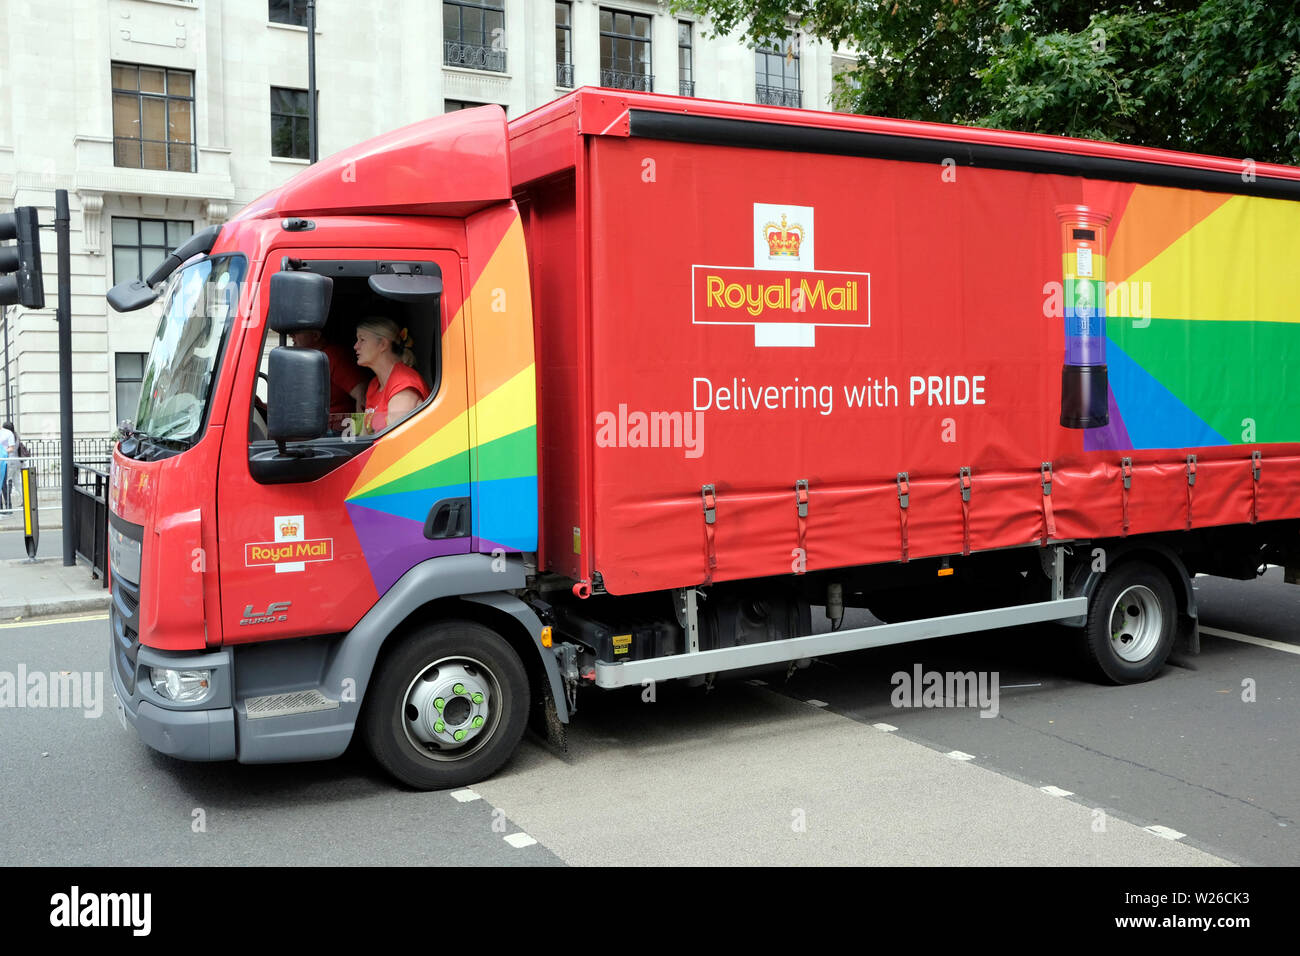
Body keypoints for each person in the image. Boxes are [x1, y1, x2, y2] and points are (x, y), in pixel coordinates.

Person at [354, 317, 429, 434]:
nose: (355, 346)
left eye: (362, 340)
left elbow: (395, 440)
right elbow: (364, 435)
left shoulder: (404, 383)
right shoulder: (374, 384)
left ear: (383, 344)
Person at [289, 329, 368, 424]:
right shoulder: (307, 359)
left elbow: (362, 393)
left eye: (297, 331)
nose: (291, 335)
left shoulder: (333, 357)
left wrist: (360, 432)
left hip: (332, 430)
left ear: (316, 335)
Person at [0, 421, 13, 511]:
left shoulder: (7, 433)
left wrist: (3, 452)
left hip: (3, 462)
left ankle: (8, 506)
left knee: (3, 484)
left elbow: (11, 447)